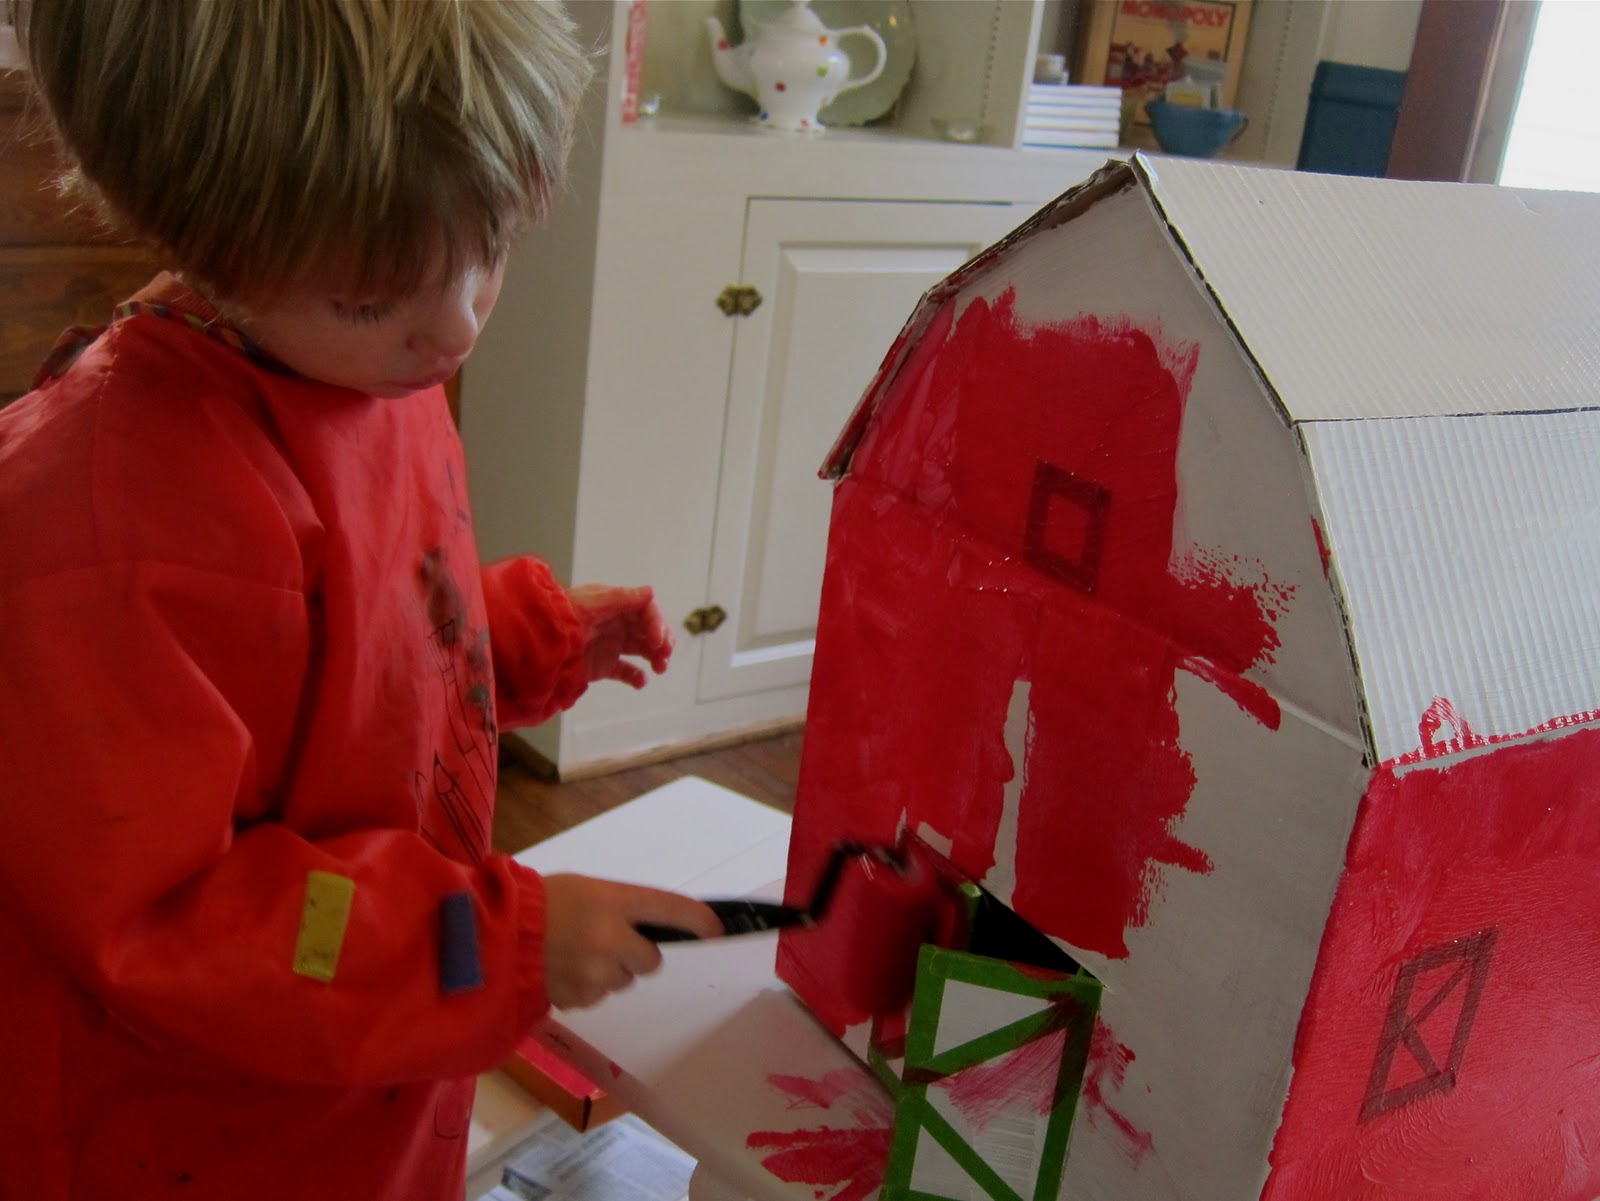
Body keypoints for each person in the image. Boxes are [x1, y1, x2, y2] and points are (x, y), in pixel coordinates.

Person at [0, 2, 723, 1198]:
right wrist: (483, 944)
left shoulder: (359, 371)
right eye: (374, 297)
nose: (455, 325)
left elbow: (352, 636)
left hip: (359, 1068)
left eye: (486, 254)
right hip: (200, 1134)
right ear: (207, 232)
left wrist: (517, 638)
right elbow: (183, 920)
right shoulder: (101, 523)